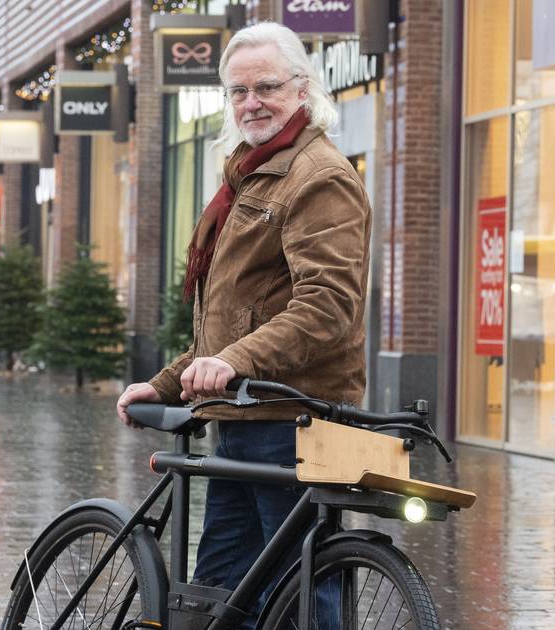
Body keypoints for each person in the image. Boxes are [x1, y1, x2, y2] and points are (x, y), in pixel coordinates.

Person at [116, 22, 371, 627]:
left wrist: (236, 363)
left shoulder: (319, 177)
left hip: (291, 420)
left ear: (302, 90)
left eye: (266, 87)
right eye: (237, 90)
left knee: (301, 596)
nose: (251, 101)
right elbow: (233, 315)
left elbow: (328, 304)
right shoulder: (251, 172)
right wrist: (172, 382)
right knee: (219, 599)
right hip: (240, 416)